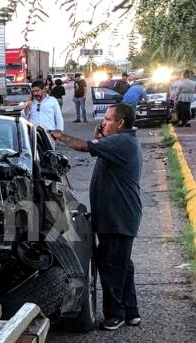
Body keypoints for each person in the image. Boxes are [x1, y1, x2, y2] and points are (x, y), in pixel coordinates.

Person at [50, 103, 142, 330]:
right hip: (117, 216)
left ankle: (115, 315)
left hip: (117, 218)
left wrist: (59, 136)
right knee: (122, 265)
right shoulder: (121, 141)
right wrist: (102, 136)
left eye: (109, 119)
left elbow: (82, 146)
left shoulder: (121, 142)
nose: (103, 123)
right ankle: (131, 312)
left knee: (110, 264)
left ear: (120, 123)